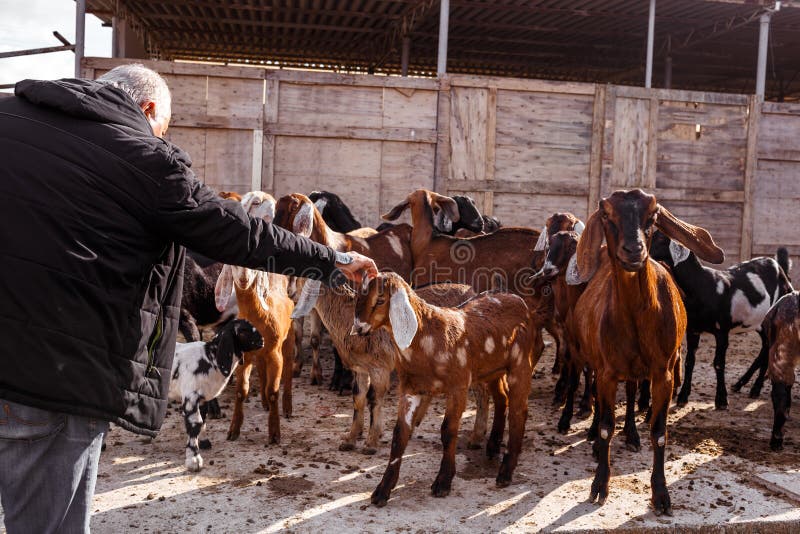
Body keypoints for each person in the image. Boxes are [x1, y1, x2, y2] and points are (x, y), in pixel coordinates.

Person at [0, 64, 377, 533]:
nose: (160, 136)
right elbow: (238, 233)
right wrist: (330, 260)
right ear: (150, 109)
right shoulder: (142, 158)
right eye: (163, 127)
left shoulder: (8, 117)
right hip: (55, 377)